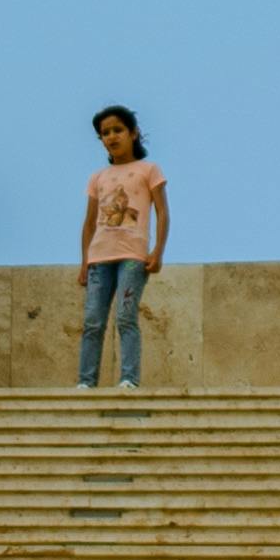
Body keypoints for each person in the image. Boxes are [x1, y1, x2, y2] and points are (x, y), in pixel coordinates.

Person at [77, 105, 168, 387]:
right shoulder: (98, 177)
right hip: (100, 258)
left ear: (133, 133)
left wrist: (158, 252)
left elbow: (162, 212)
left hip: (132, 256)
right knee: (93, 322)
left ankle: (129, 378)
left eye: (118, 130)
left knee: (126, 317)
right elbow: (90, 223)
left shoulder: (148, 170)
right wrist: (84, 262)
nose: (112, 137)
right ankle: (86, 381)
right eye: (105, 133)